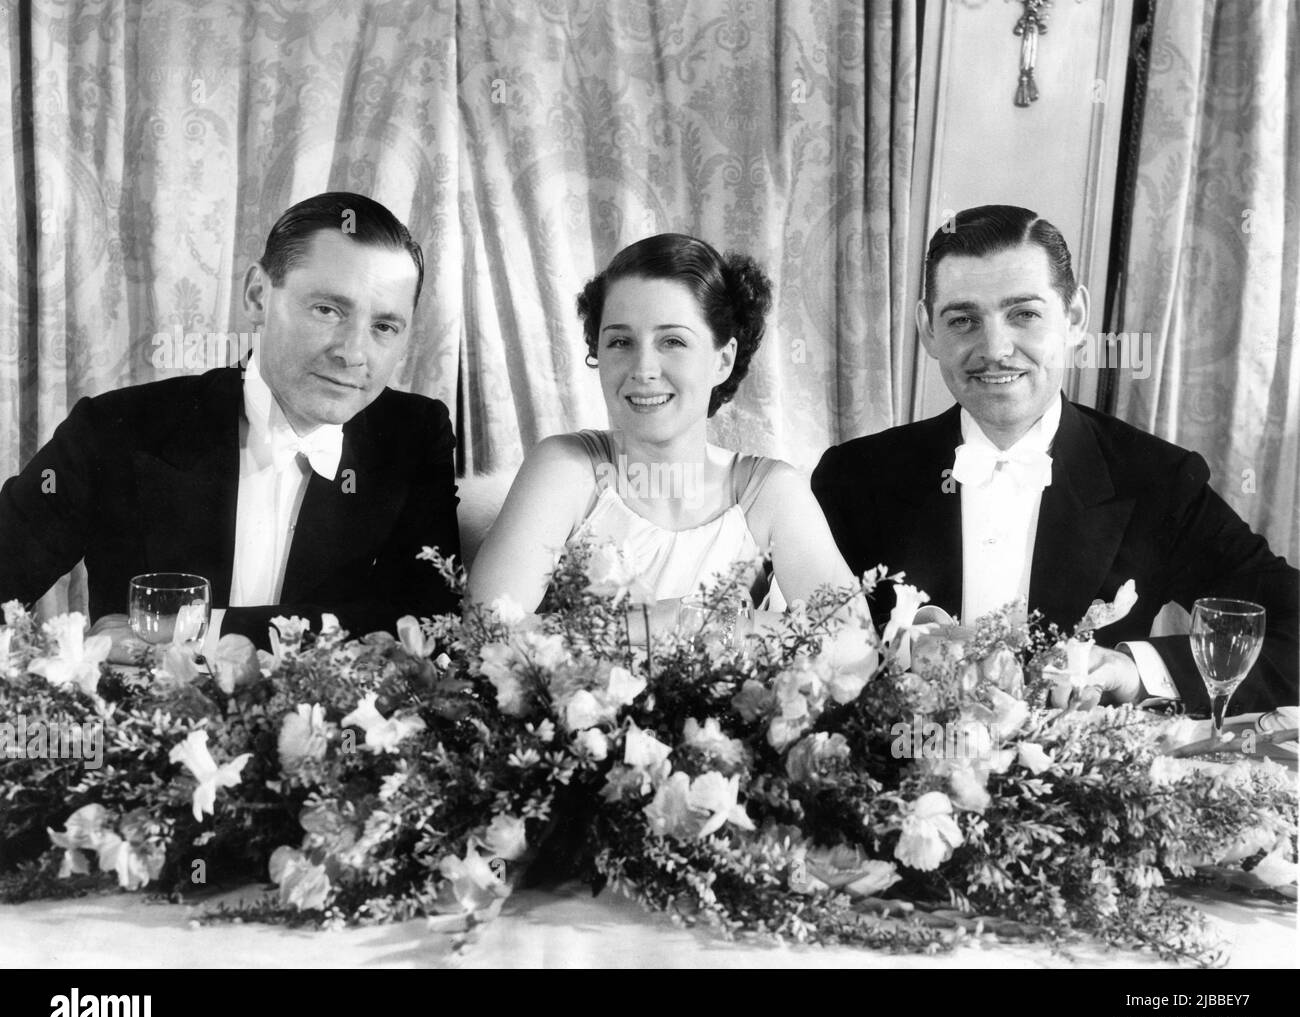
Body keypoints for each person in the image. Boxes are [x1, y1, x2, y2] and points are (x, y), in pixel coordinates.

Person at [812, 204, 1297, 715]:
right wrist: (886, 653)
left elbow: (1294, 628)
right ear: (928, 329)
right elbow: (792, 652)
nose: (995, 349)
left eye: (1024, 314)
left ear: (1075, 318)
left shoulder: (1156, 479)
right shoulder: (853, 477)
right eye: (964, 319)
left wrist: (1136, 672)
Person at [0, 191, 461, 653]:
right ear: (258, 295)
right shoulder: (115, 427)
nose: (352, 353)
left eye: (384, 326)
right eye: (327, 310)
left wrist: (198, 630)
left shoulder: (413, 435)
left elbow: (431, 622)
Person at [468, 233, 856, 629]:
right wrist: (685, 621)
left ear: (723, 360)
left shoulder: (770, 491)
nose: (643, 369)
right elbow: (485, 631)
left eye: (672, 341)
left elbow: (852, 647)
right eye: (620, 341)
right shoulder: (565, 467)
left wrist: (607, 631)